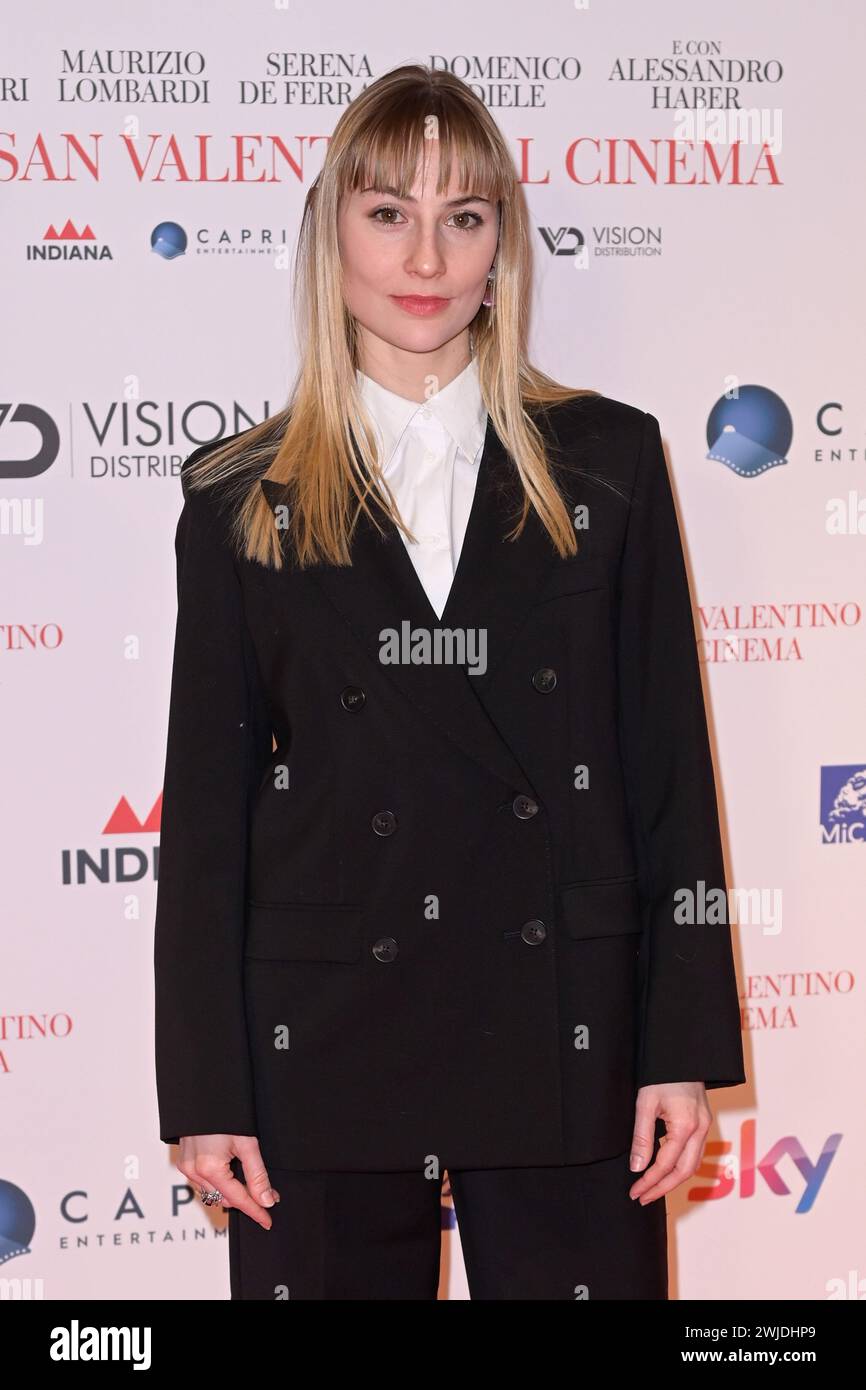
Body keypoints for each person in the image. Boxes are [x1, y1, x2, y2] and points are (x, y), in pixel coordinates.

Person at [153, 63, 745, 1300]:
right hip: (317, 1040)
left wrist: (676, 1047)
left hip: (562, 1026)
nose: (425, 253)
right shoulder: (235, 495)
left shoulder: (608, 460)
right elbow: (206, 819)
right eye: (386, 212)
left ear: (500, 244)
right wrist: (207, 1086)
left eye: (462, 216)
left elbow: (665, 771)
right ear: (332, 234)